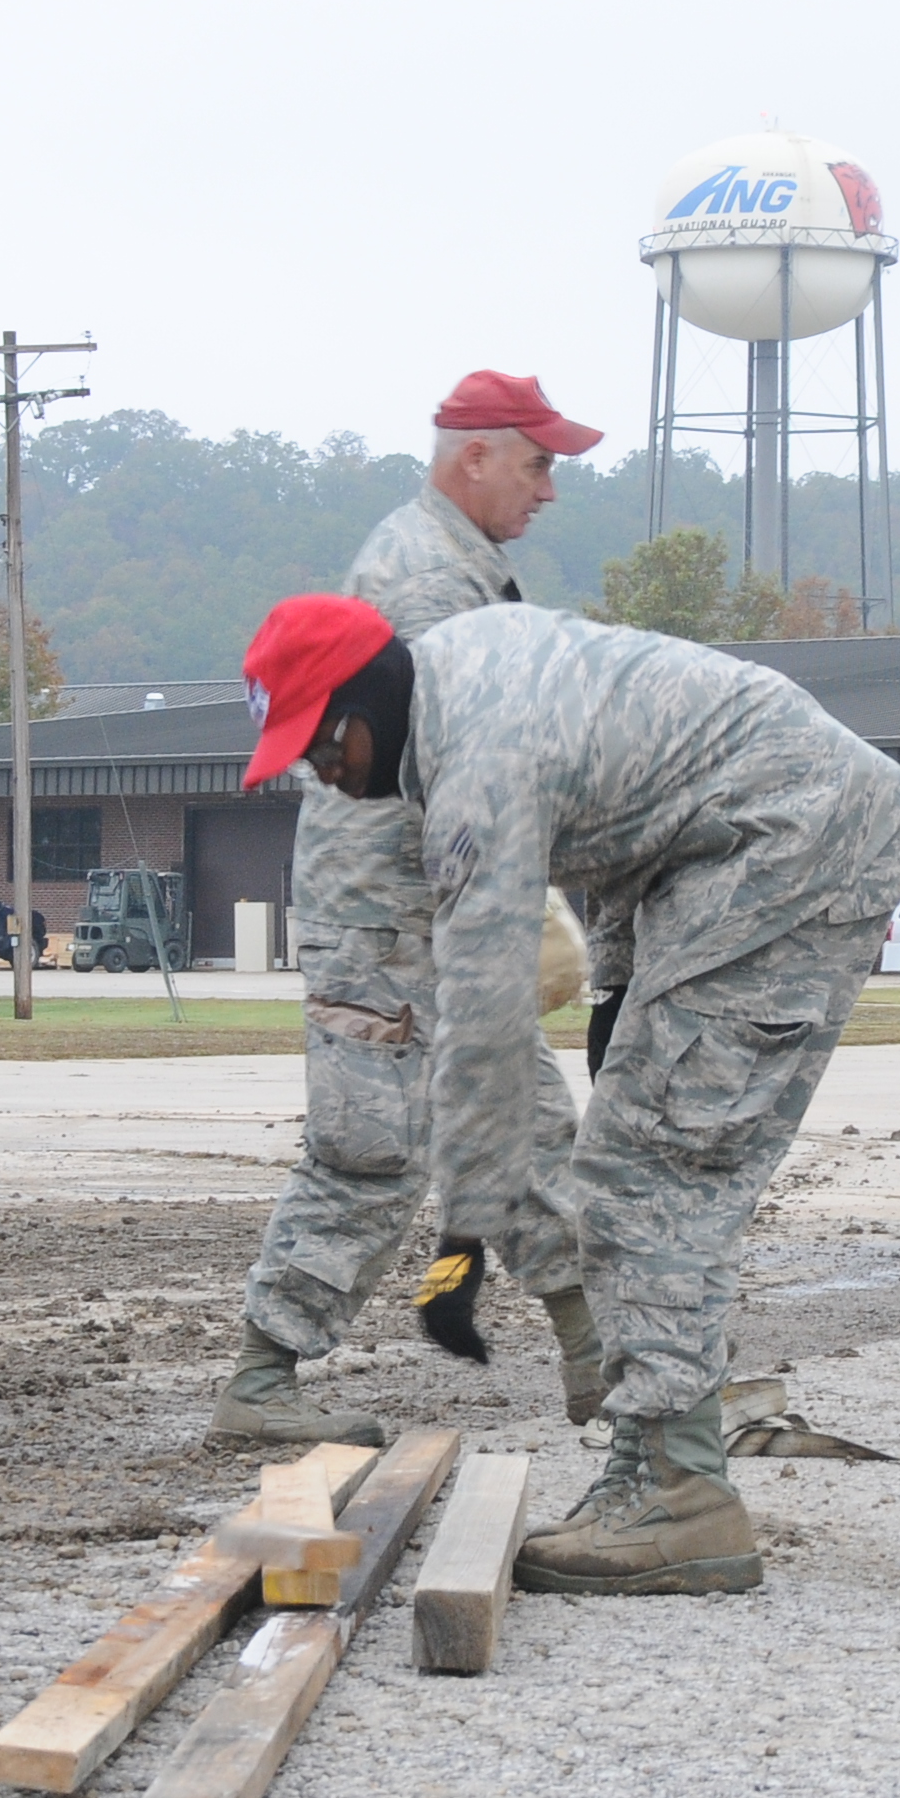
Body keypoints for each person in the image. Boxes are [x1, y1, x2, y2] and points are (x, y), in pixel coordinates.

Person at [238, 590, 900, 1596]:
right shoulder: (462, 674)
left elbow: (482, 1027)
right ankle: (645, 1468)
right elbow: (628, 797)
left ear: (362, 698)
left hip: (784, 841)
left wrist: (459, 1248)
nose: (323, 773)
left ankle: (684, 1500)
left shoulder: (471, 769)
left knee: (651, 1172)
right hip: (743, 835)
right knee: (638, 1155)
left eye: (323, 746)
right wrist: (616, 973)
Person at [216, 371, 603, 1448]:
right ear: (472, 455)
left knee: (526, 1131)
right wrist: (518, 903)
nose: (549, 489)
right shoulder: (426, 577)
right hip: (390, 910)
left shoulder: (460, 565)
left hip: (433, 905)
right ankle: (262, 1376)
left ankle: (598, 1353)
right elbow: (455, 759)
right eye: (538, 462)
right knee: (372, 1149)